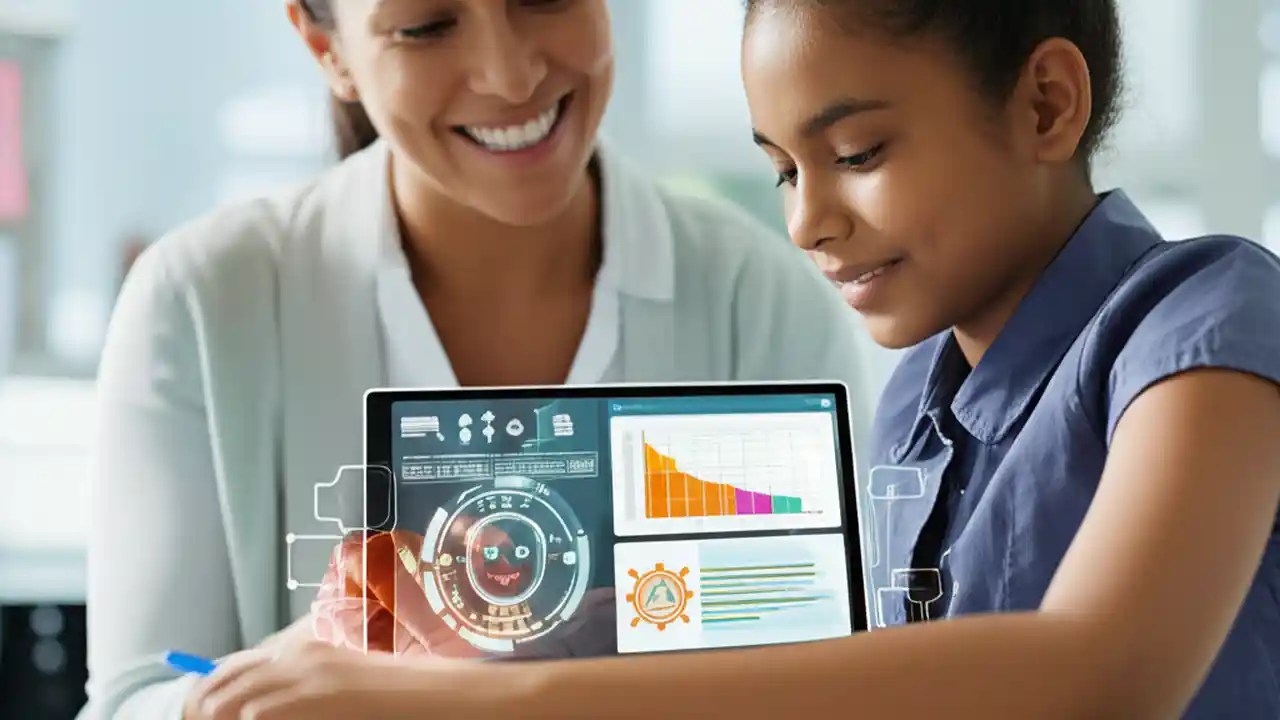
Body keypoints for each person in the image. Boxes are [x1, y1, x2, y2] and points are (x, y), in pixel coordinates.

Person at [177, 0, 1280, 718]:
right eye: (783, 172)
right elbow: (843, 682)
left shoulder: (1205, 320)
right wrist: (493, 643)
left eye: (856, 153)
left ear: (1046, 104)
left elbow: (1098, 674)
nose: (806, 223)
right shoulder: (913, 405)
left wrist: (478, 704)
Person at [81, 0, 881, 717]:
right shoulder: (201, 300)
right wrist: (303, 664)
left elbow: (841, 678)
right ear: (329, 49)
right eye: (425, 27)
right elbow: (131, 701)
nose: (509, 75)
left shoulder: (759, 296)